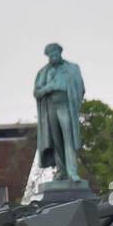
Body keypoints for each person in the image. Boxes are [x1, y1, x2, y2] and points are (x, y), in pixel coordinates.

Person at [33, 43, 86, 182]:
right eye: (51, 55)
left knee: (68, 139)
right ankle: (61, 171)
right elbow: (37, 92)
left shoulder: (72, 68)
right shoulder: (44, 72)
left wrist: (74, 102)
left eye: (56, 54)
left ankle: (72, 172)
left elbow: (80, 87)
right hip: (50, 106)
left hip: (65, 105)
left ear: (60, 53)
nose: (53, 57)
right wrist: (48, 88)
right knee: (56, 140)